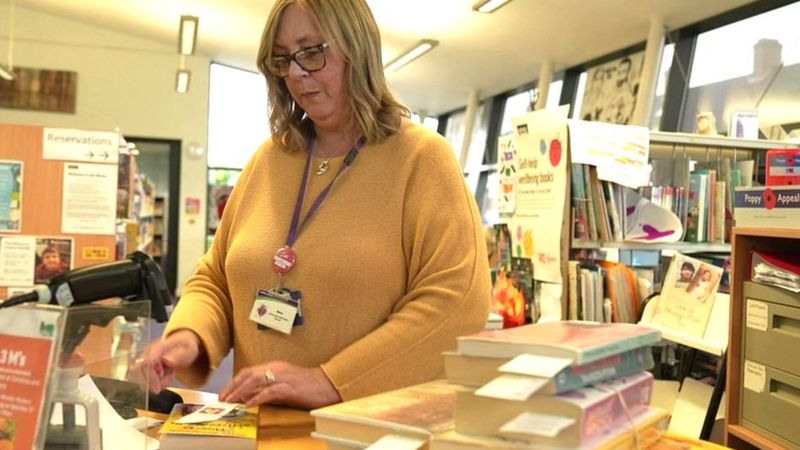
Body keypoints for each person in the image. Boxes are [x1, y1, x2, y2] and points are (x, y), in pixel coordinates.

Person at [137, 0, 491, 411]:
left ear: (356, 48)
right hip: (261, 425)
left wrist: (329, 381)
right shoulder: (269, 160)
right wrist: (188, 337)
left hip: (367, 429)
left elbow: (457, 304)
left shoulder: (422, 158)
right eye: (284, 59)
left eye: (311, 52)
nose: (297, 74)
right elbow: (216, 277)